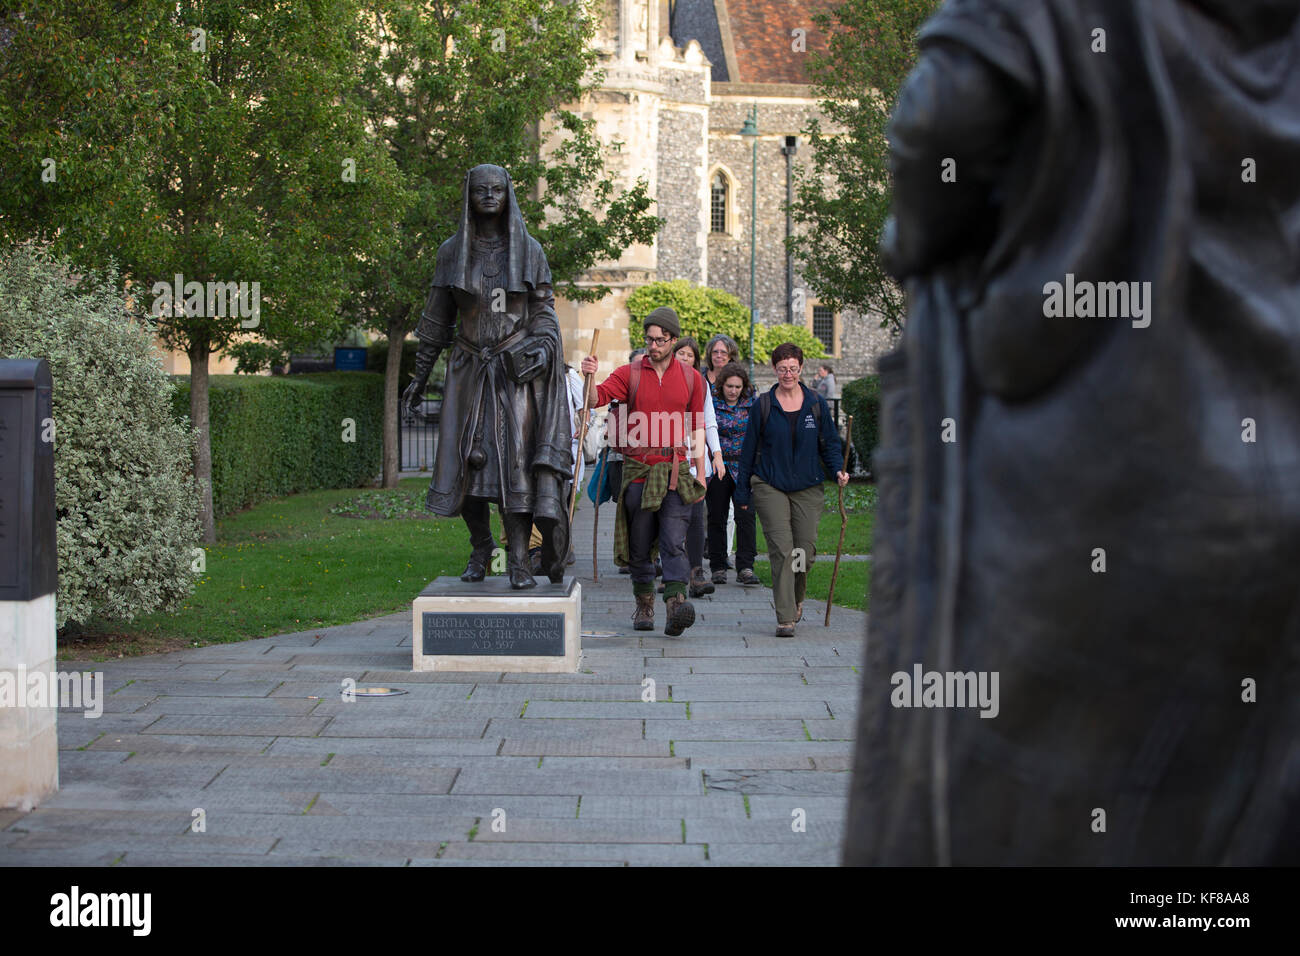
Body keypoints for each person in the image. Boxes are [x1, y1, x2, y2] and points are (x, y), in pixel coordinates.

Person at [403, 164, 572, 589]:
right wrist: (419, 378)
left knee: (514, 468)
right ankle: (481, 547)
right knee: (463, 467)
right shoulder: (451, 252)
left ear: (508, 194)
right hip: (466, 371)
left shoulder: (529, 250)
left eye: (498, 189)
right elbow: (435, 324)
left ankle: (518, 559)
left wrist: (541, 347)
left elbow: (544, 313)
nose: (490, 196)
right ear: (469, 196)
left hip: (512, 372)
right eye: (482, 190)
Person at [580, 307, 706, 635]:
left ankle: (676, 604)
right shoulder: (629, 373)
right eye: (649, 340)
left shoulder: (693, 379)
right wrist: (589, 375)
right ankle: (644, 604)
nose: (653, 346)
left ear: (674, 340)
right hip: (637, 471)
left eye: (660, 340)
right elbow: (597, 399)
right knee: (639, 545)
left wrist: (701, 472)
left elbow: (697, 427)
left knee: (674, 540)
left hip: (677, 471)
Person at [734, 343, 848, 637]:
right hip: (770, 484)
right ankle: (785, 617)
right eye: (782, 368)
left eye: (793, 368)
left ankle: (797, 597)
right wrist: (742, 492)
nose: (788, 374)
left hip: (808, 486)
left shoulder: (815, 404)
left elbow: (831, 444)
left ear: (801, 369)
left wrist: (837, 469)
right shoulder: (763, 405)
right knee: (782, 552)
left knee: (804, 553)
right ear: (774, 369)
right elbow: (748, 452)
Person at [672, 337, 724, 598]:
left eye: (689, 355)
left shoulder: (700, 384)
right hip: (668, 460)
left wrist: (716, 454)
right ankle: (671, 571)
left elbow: (709, 422)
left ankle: (696, 572)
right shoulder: (664, 381)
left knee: (695, 519)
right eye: (680, 353)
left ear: (695, 360)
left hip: (695, 462)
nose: (684, 358)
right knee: (669, 519)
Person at [707, 362, 759, 586]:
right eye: (729, 386)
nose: (733, 391)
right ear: (722, 385)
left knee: (745, 517)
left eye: (738, 387)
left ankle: (746, 566)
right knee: (717, 516)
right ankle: (718, 565)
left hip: (744, 467)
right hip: (719, 466)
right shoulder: (712, 403)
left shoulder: (752, 405)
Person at [704, 333, 742, 564]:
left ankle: (724, 553)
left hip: (729, 456)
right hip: (703, 450)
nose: (719, 356)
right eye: (715, 352)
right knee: (705, 508)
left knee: (728, 512)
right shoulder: (701, 379)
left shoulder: (738, 381)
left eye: (723, 353)